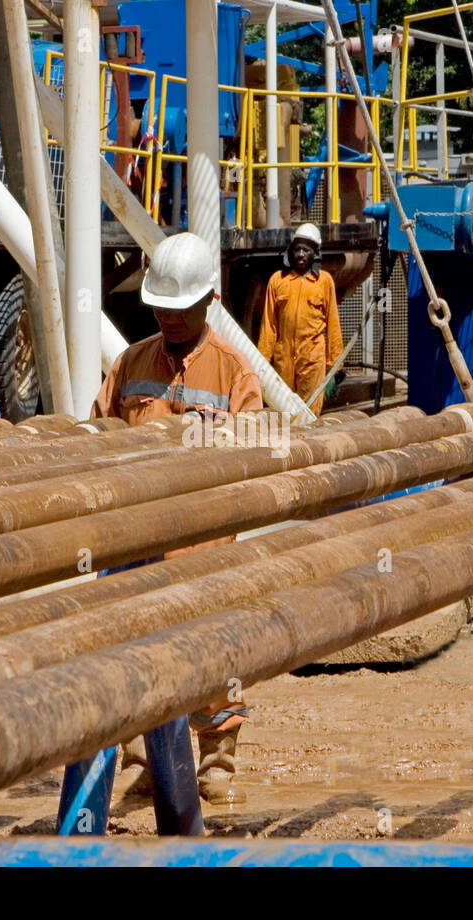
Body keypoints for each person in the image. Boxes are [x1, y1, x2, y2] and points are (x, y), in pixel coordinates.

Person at [60, 232, 263, 838]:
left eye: (181, 310)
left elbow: (254, 449)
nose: (170, 320)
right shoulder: (131, 362)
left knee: (208, 653)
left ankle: (217, 761)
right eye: (161, 309)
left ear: (209, 303)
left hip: (199, 547)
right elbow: (98, 432)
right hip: (135, 546)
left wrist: (219, 433)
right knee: (130, 656)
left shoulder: (233, 370)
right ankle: (147, 762)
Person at [258, 222, 345, 415]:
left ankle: (307, 445)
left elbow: (333, 325)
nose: (301, 254)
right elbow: (269, 325)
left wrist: (335, 367)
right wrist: (262, 362)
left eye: (306, 250)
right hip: (284, 358)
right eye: (297, 249)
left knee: (309, 413)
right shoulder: (278, 281)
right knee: (282, 410)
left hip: (312, 358)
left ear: (315, 253)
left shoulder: (324, 282)